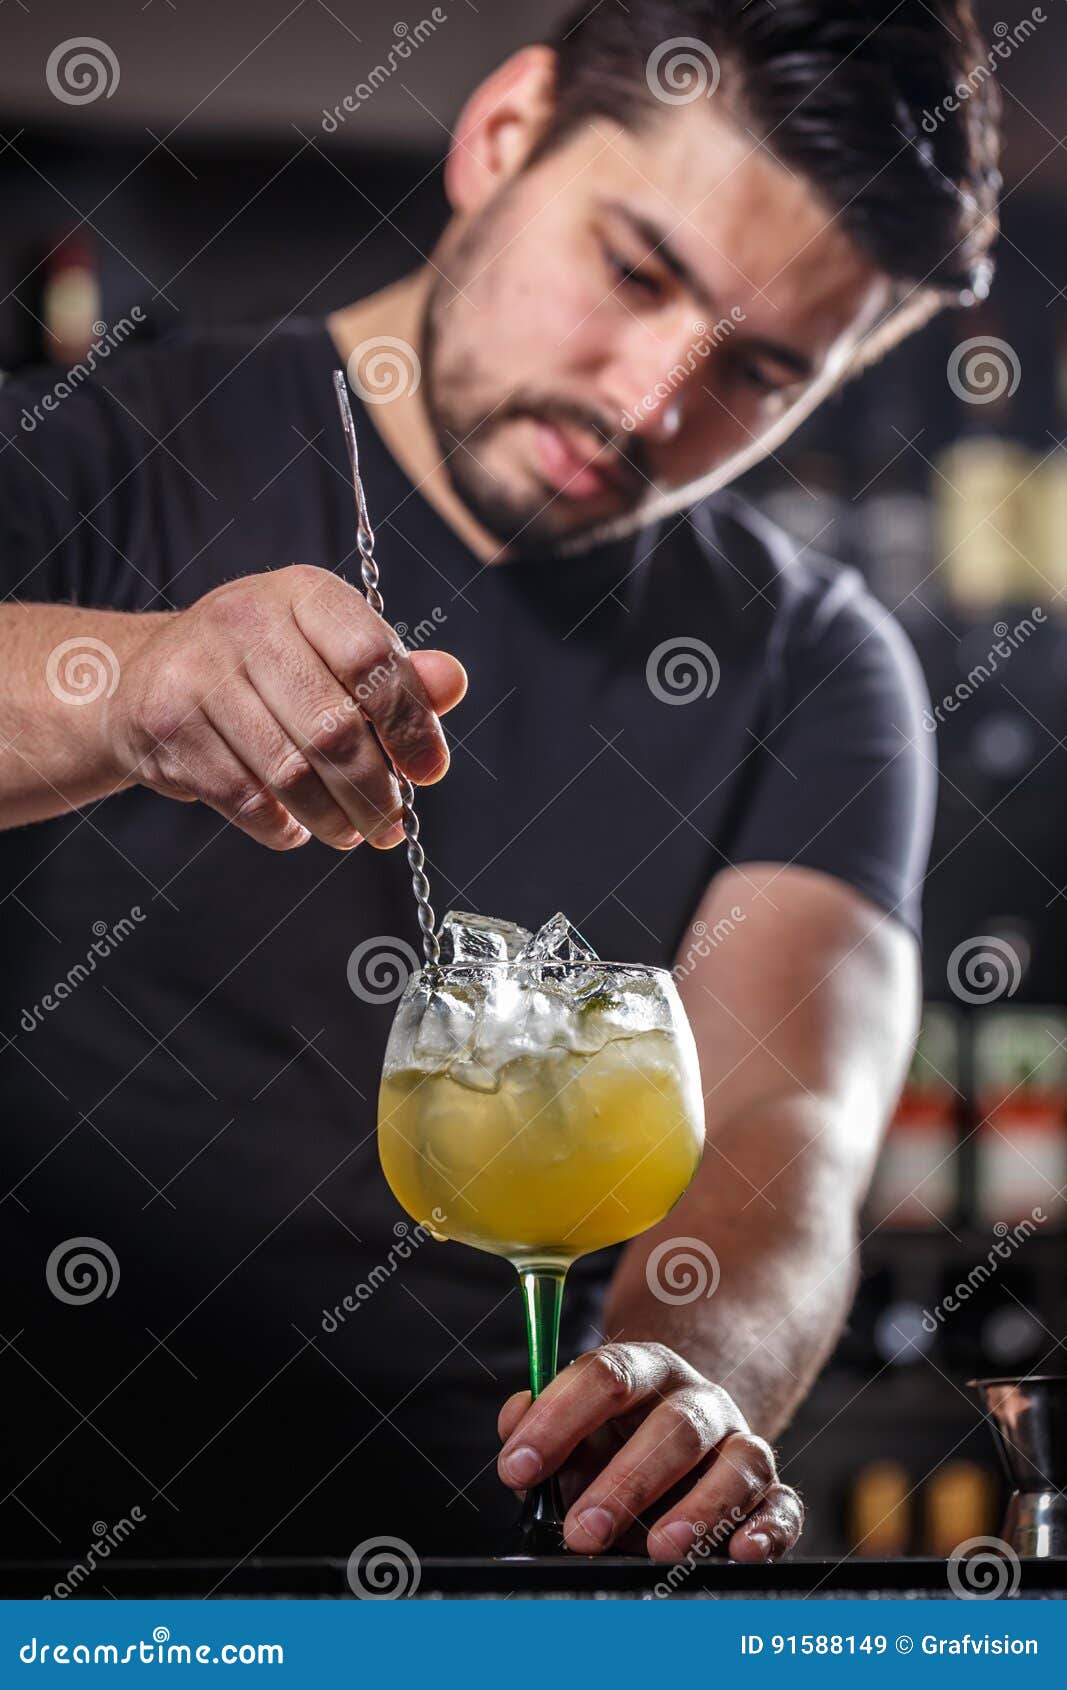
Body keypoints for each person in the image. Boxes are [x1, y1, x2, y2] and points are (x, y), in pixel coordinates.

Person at [0, 0, 999, 1570]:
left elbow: (780, 1128)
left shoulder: (820, 662)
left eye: (760, 372)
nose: (650, 403)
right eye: (637, 272)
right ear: (503, 130)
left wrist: (700, 1375)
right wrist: (120, 686)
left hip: (507, 1571)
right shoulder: (84, 451)